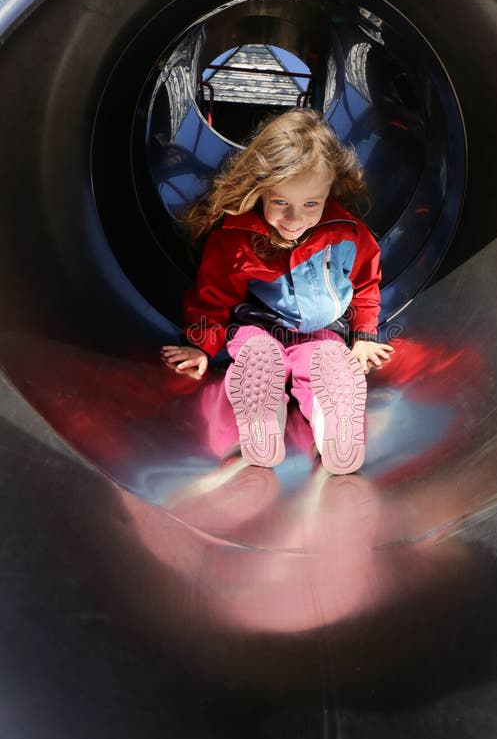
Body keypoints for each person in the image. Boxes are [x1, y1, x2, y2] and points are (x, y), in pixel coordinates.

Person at [161, 108, 393, 474]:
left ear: (329, 190)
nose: (294, 219)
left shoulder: (346, 233)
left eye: (310, 204)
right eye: (281, 202)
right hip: (258, 323)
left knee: (325, 359)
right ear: (261, 190)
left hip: (321, 330)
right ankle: (260, 415)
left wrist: (364, 335)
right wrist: (202, 343)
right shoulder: (238, 237)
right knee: (256, 349)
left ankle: (330, 423)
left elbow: (366, 282)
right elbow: (214, 294)